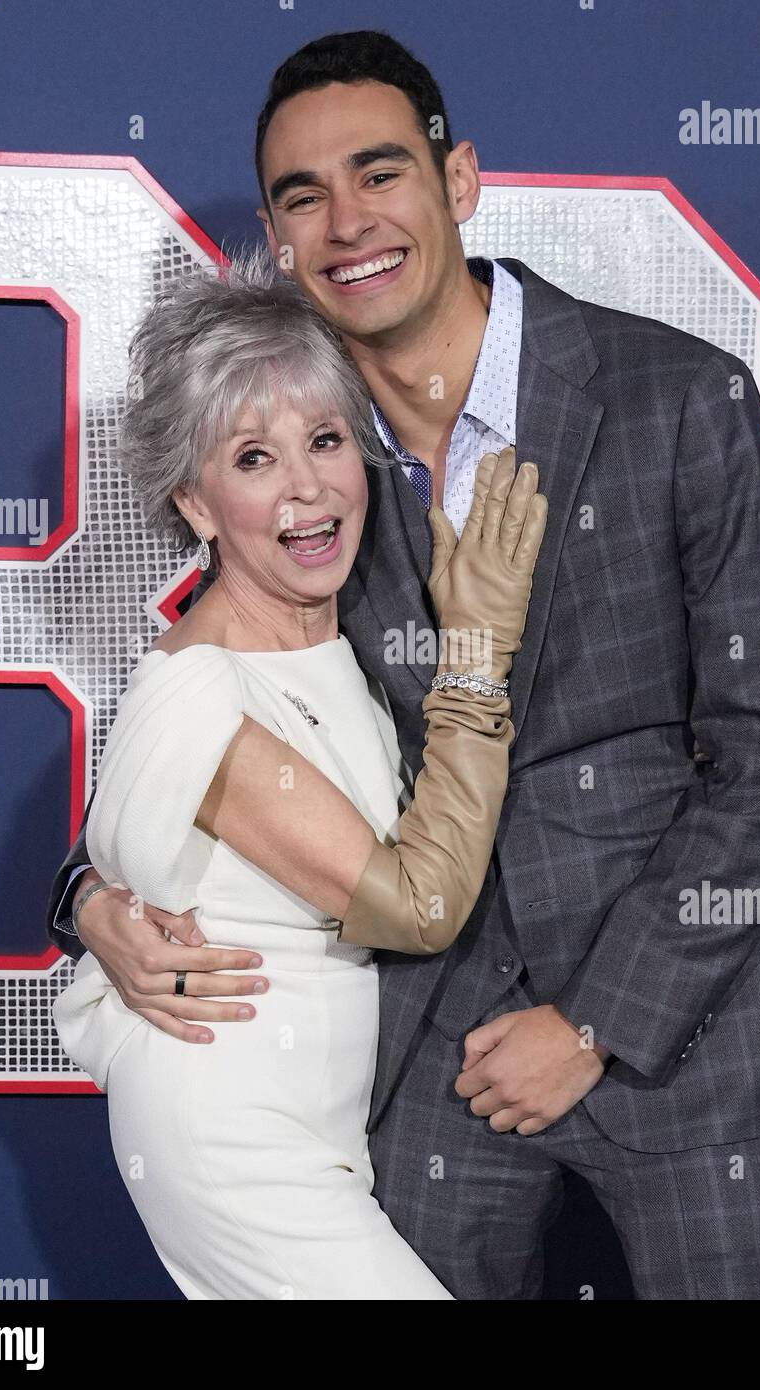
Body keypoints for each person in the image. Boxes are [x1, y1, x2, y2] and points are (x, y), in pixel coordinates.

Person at [49, 30, 760, 1300]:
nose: (347, 219)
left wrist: (594, 1025)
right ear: (276, 232)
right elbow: (206, 711)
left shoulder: (676, 398)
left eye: (379, 172)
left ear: (456, 179)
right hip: (427, 1049)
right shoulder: (297, 453)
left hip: (676, 1038)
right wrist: (84, 897)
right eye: (304, 196)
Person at [51, 247, 547, 1299]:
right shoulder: (205, 693)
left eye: (323, 439)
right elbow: (416, 904)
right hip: (229, 1138)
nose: (307, 486)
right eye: (253, 458)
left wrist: (86, 900)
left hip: (322, 1128)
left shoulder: (328, 635)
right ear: (194, 503)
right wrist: (474, 655)